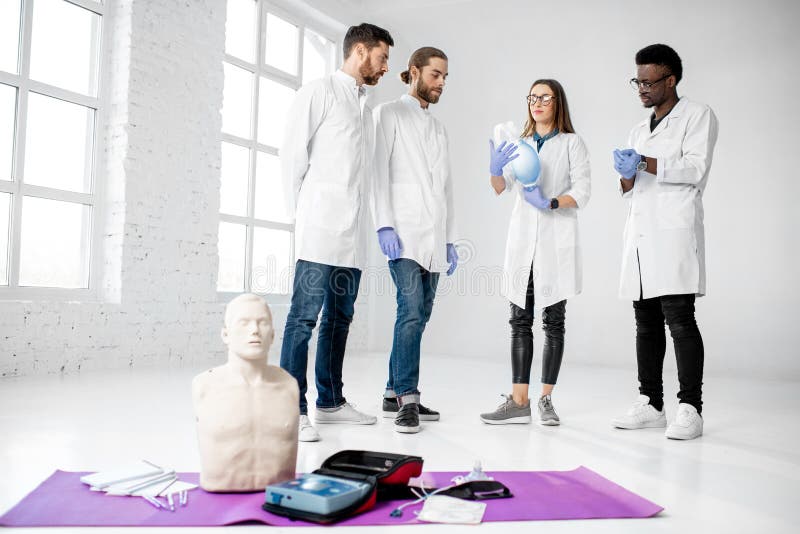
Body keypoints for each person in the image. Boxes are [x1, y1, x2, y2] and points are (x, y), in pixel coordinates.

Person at [279, 23, 394, 442]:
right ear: (360, 52)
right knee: (303, 319)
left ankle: (330, 401)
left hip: (353, 236)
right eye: (382, 58)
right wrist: (302, 218)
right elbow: (291, 157)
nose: (384, 68)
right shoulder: (319, 92)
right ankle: (292, 409)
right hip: (319, 230)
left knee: (341, 318)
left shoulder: (365, 106)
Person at [611, 44, 718, 440]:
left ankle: (691, 408)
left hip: (673, 233)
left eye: (648, 81)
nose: (641, 88)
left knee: (680, 321)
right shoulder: (639, 129)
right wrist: (625, 172)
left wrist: (641, 162)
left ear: (670, 80)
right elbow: (630, 188)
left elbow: (695, 168)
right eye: (637, 81)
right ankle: (651, 403)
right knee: (645, 323)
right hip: (641, 233)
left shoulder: (698, 116)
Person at [480, 79, 591, 426]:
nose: (537, 102)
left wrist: (552, 202)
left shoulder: (572, 143)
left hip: (555, 240)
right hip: (523, 242)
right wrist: (495, 167)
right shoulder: (521, 143)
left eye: (545, 97)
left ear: (558, 102)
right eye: (532, 97)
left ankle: (545, 399)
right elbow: (501, 187)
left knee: (553, 323)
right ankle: (518, 401)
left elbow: (584, 191)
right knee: (519, 320)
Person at [371, 47, 457, 434]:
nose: (440, 83)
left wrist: (450, 239)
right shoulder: (388, 113)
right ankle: (409, 399)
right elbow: (377, 171)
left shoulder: (438, 128)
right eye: (435, 75)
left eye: (445, 77)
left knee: (420, 315)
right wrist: (383, 225)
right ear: (415, 72)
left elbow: (446, 188)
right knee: (409, 310)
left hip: (434, 235)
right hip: (403, 233)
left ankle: (391, 391)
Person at [192, 294, 298, 491]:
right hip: (218, 494)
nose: (255, 331)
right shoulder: (204, 386)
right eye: (244, 323)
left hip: (281, 496)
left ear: (273, 335)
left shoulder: (289, 386)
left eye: (262, 323)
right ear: (225, 335)